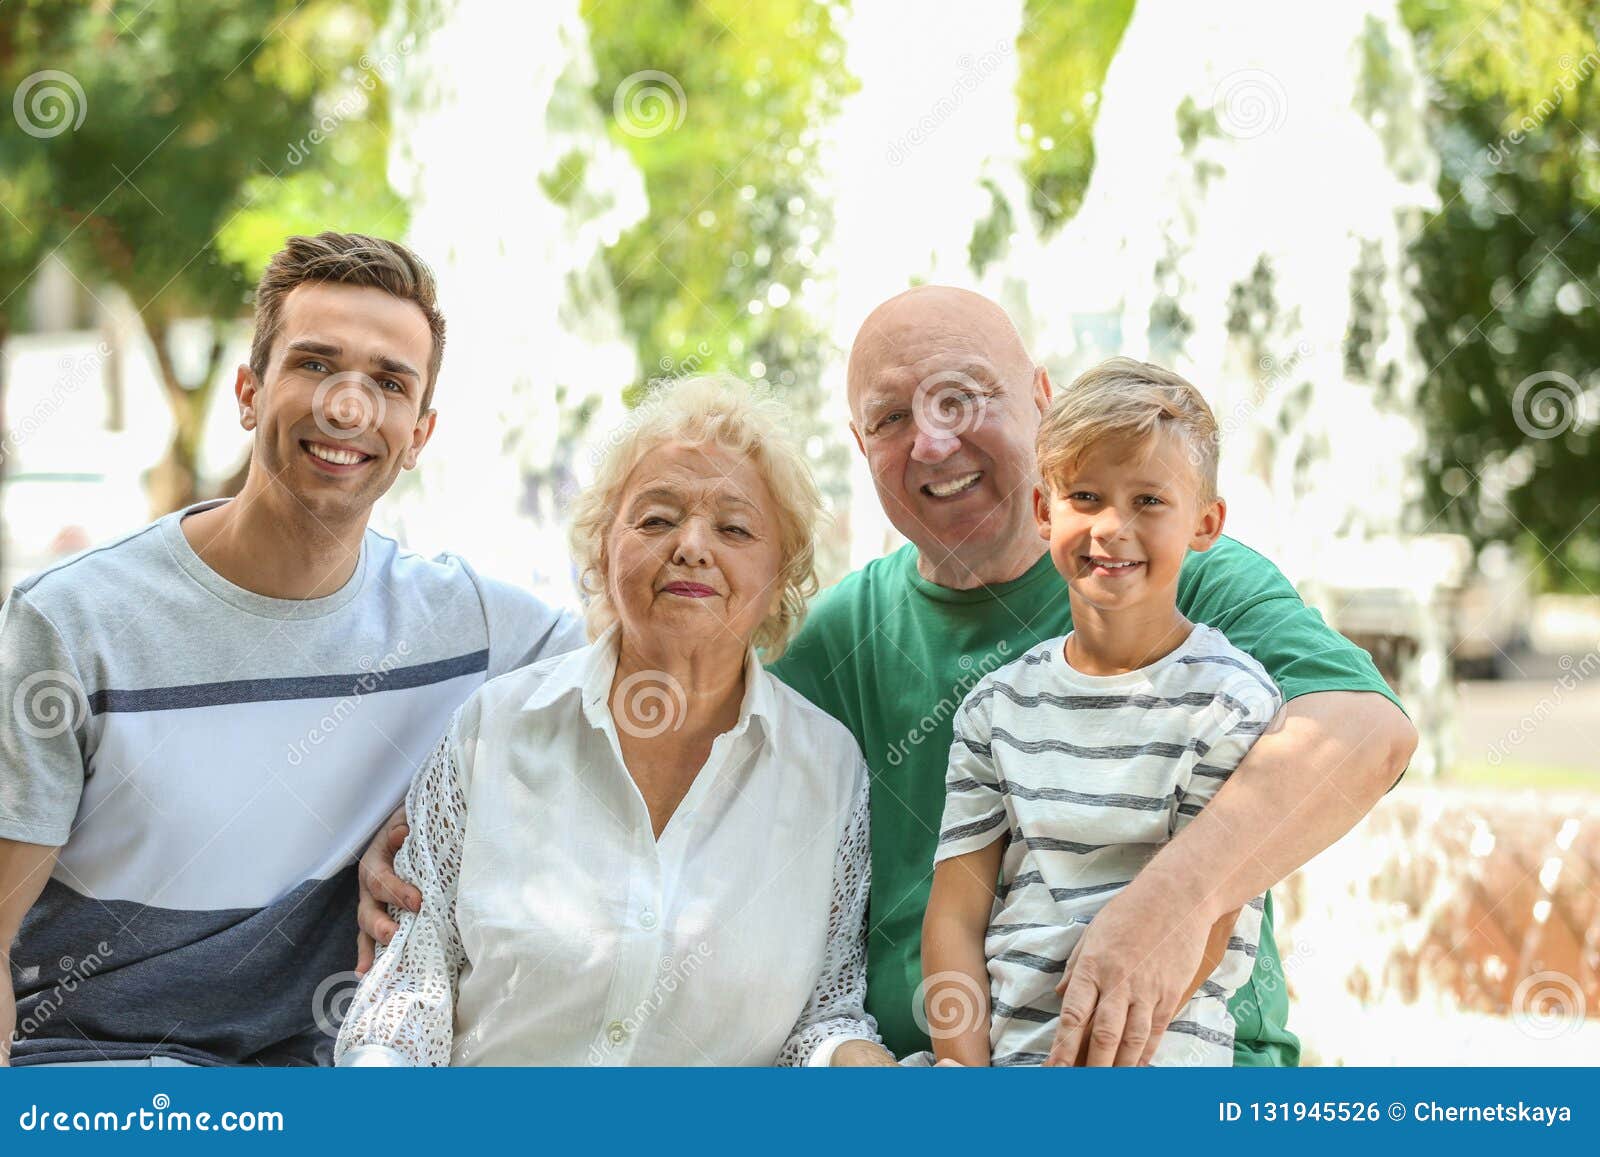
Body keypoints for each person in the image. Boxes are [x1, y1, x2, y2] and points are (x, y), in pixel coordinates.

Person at [361, 284, 1418, 1067]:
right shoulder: (842, 634)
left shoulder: (1172, 572)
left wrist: (1172, 900)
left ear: (1043, 406)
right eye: (892, 417)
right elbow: (666, 666)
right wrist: (448, 826)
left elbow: (1365, 733)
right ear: (863, 448)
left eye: (966, 398)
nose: (935, 440)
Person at [0, 232, 581, 1067]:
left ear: (419, 434)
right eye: (314, 364)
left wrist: (437, 815)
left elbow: (660, 680)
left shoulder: (475, 626)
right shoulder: (74, 624)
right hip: (97, 1078)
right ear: (248, 390)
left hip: (323, 1086)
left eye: (388, 382)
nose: (347, 408)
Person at [334, 375, 891, 1066]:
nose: (691, 545)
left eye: (735, 527)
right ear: (603, 549)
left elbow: (821, 1015)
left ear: (781, 573)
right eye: (656, 519)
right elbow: (410, 985)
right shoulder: (497, 725)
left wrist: (855, 1064)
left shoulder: (829, 769)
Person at [922, 358, 1280, 1066]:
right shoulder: (995, 709)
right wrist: (960, 1076)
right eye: (1085, 496)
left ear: (1205, 523)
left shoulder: (1231, 701)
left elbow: (1199, 924)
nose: (1111, 527)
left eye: (1149, 500)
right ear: (1042, 511)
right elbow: (954, 918)